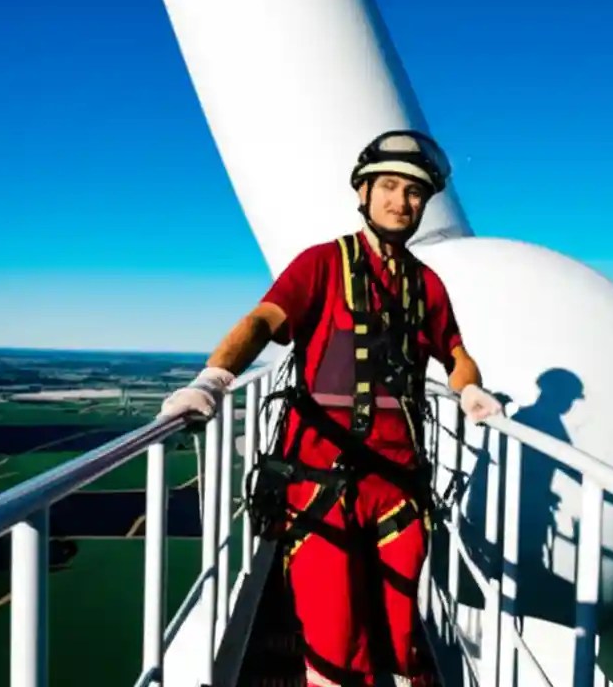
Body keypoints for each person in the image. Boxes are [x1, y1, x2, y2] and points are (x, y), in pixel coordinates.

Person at [159, 129, 502, 686]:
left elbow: (457, 355)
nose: (400, 201)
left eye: (414, 192)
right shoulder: (321, 264)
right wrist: (215, 378)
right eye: (388, 186)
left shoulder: (427, 286)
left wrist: (468, 390)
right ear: (363, 193)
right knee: (335, 644)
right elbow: (262, 322)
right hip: (323, 484)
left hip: (399, 488)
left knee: (400, 635)